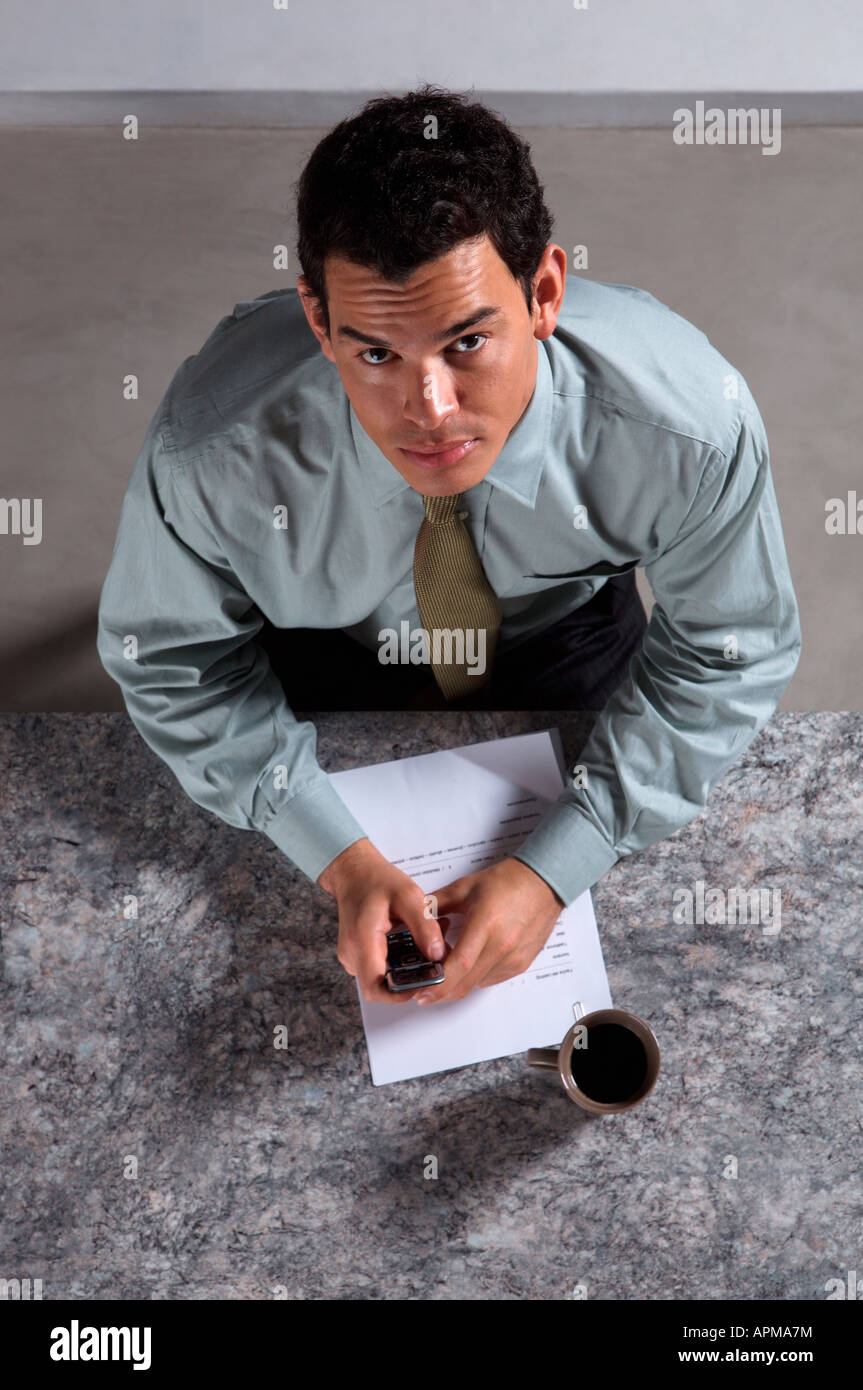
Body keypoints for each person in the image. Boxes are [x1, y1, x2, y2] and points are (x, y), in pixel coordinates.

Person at [97, 84, 802, 1013]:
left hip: (561, 633)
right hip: (322, 640)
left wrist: (560, 863)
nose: (428, 414)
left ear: (544, 292)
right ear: (318, 322)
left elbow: (727, 650)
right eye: (376, 354)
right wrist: (336, 856)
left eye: (467, 341)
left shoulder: (685, 426)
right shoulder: (210, 449)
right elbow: (176, 663)